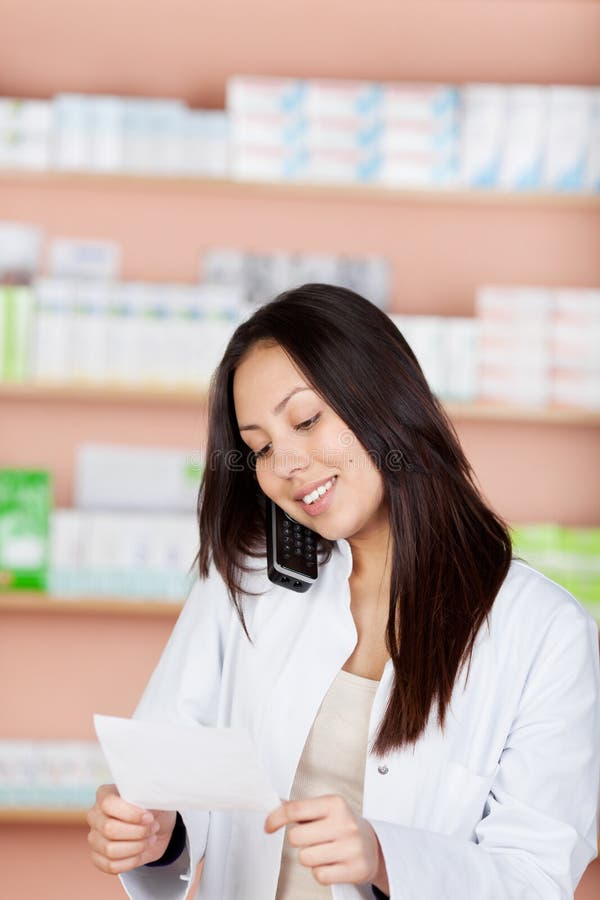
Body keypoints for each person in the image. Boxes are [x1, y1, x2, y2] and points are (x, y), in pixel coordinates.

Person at [87, 284, 600, 900]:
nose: (286, 465)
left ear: (384, 398)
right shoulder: (244, 582)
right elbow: (171, 771)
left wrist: (384, 858)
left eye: (306, 420)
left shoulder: (541, 630)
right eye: (261, 448)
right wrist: (154, 833)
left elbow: (537, 877)